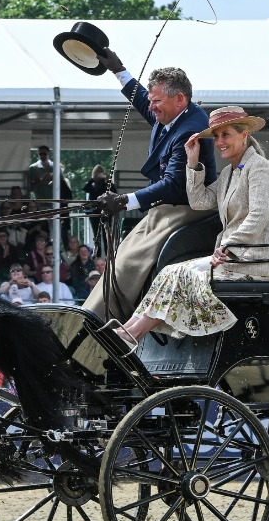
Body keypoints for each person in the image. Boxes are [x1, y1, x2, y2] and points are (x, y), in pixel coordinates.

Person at [106, 106, 269, 350]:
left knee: (180, 274)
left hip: (254, 262)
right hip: (230, 258)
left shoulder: (259, 167)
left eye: (226, 134)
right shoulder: (229, 172)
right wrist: (193, 163)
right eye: (216, 136)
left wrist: (229, 246)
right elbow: (200, 202)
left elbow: (258, 216)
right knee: (169, 271)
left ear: (244, 135)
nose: (219, 142)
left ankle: (131, 334)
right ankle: (128, 330)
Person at [84, 48, 216, 324]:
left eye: (157, 101)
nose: (152, 106)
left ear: (179, 99)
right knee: (120, 255)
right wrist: (118, 70)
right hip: (164, 209)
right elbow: (143, 100)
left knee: (129, 261)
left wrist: (124, 201)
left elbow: (174, 185)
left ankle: (100, 324)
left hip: (188, 208)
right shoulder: (170, 113)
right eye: (152, 100)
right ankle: (90, 317)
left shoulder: (190, 130)